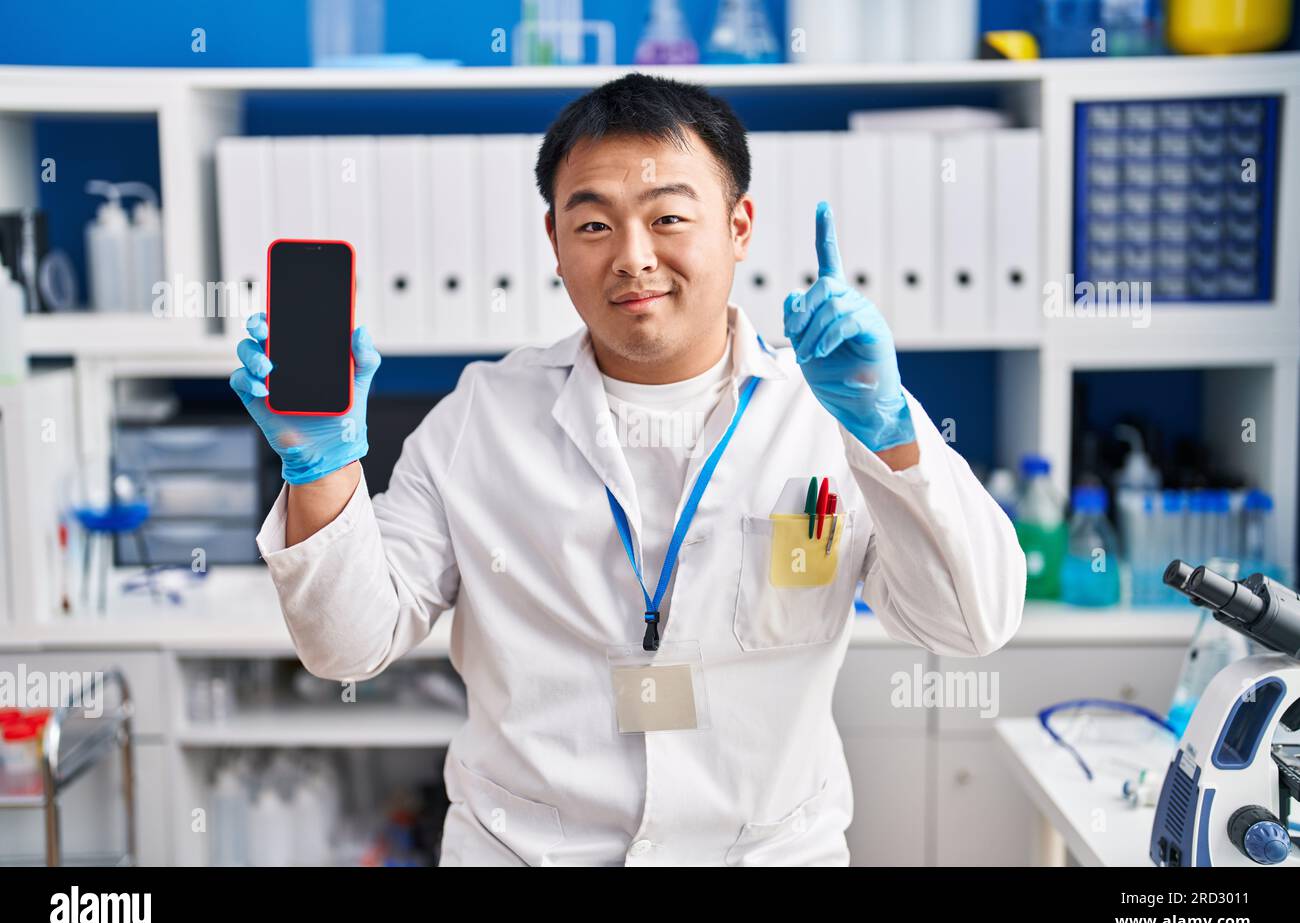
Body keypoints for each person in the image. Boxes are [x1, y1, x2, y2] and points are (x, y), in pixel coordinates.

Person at [230, 73, 1026, 866]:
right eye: (593, 226)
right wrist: (319, 466)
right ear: (553, 242)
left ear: (739, 225)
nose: (633, 258)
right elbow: (349, 647)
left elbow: (972, 623)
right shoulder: (480, 417)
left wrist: (891, 431)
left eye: (669, 217)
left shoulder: (829, 415)